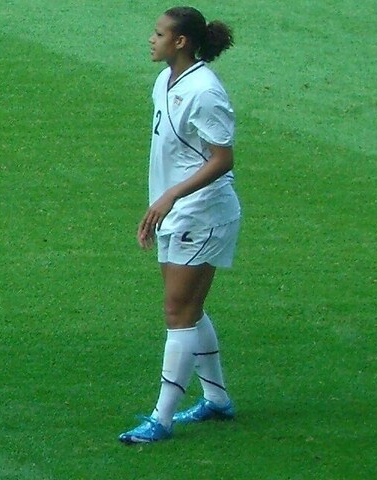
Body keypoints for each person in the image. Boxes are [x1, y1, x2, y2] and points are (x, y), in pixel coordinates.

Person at [119, 6, 241, 445]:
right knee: (188, 308)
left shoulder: (205, 92)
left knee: (178, 312)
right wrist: (159, 205)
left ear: (181, 41)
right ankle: (217, 400)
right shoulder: (164, 81)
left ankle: (162, 419)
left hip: (203, 212)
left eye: (159, 34)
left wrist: (170, 196)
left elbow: (222, 159)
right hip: (176, 213)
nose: (151, 40)